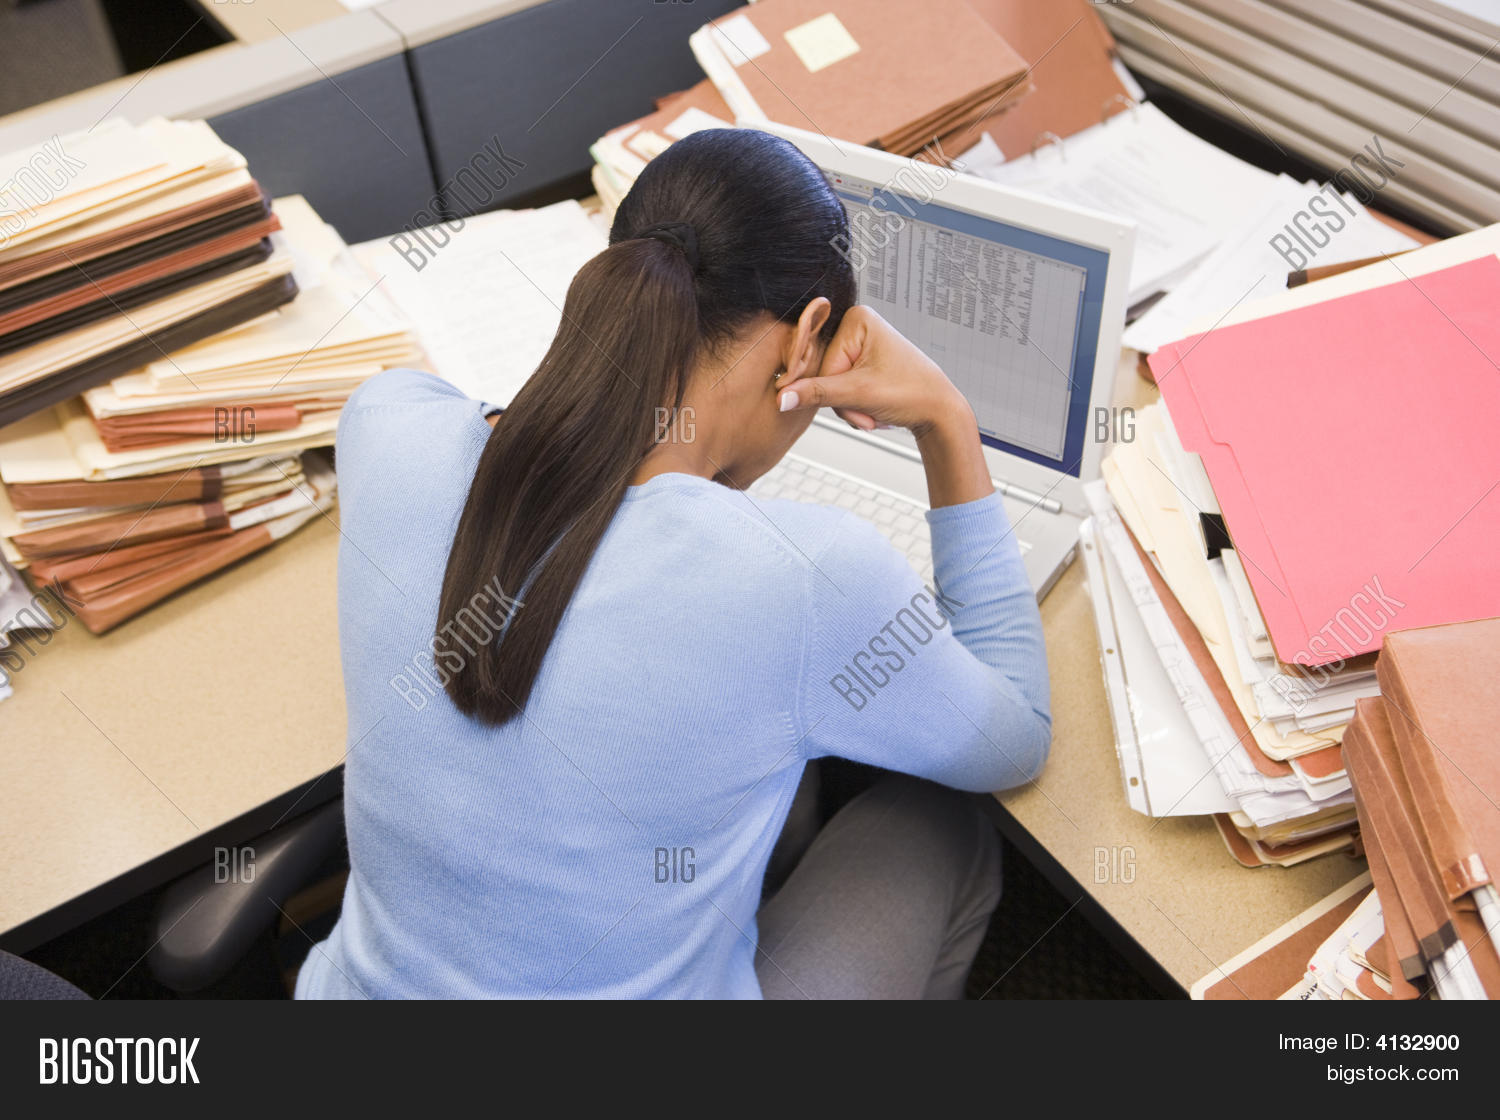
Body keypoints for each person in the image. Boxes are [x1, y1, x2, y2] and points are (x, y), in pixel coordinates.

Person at [296, 128, 1050, 1000]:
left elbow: (509, 436)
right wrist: (946, 419)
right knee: (942, 819)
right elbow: (1016, 735)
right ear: (807, 338)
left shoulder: (383, 425)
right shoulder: (804, 580)